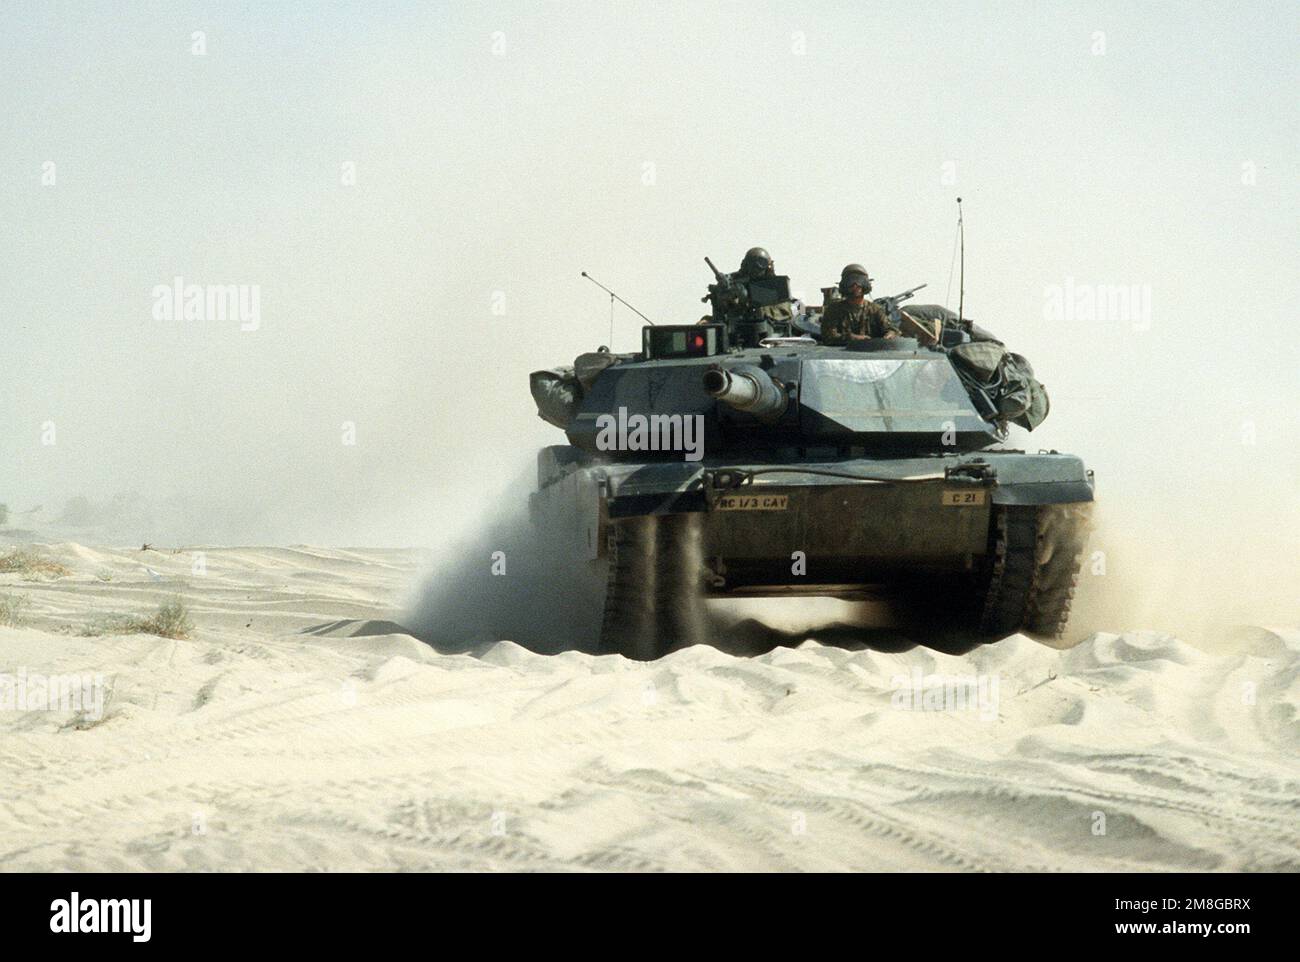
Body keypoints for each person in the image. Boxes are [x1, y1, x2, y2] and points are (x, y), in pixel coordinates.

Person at [819, 264, 897, 345]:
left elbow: (891, 329)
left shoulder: (875, 310)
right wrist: (853, 338)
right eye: (850, 281)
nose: (855, 285)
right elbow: (828, 336)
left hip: (870, 354)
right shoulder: (834, 310)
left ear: (865, 284)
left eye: (860, 281)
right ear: (844, 285)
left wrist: (890, 335)